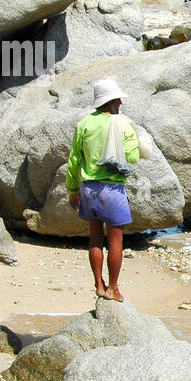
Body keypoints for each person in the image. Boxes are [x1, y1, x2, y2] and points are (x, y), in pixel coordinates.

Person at [66, 77, 141, 301]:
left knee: (95, 239)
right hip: (113, 189)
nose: (120, 104)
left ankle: (99, 285)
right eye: (117, 100)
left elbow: (74, 160)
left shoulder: (84, 124)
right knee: (116, 241)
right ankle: (113, 287)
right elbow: (133, 156)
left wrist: (72, 189)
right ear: (109, 102)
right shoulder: (123, 123)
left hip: (89, 189)